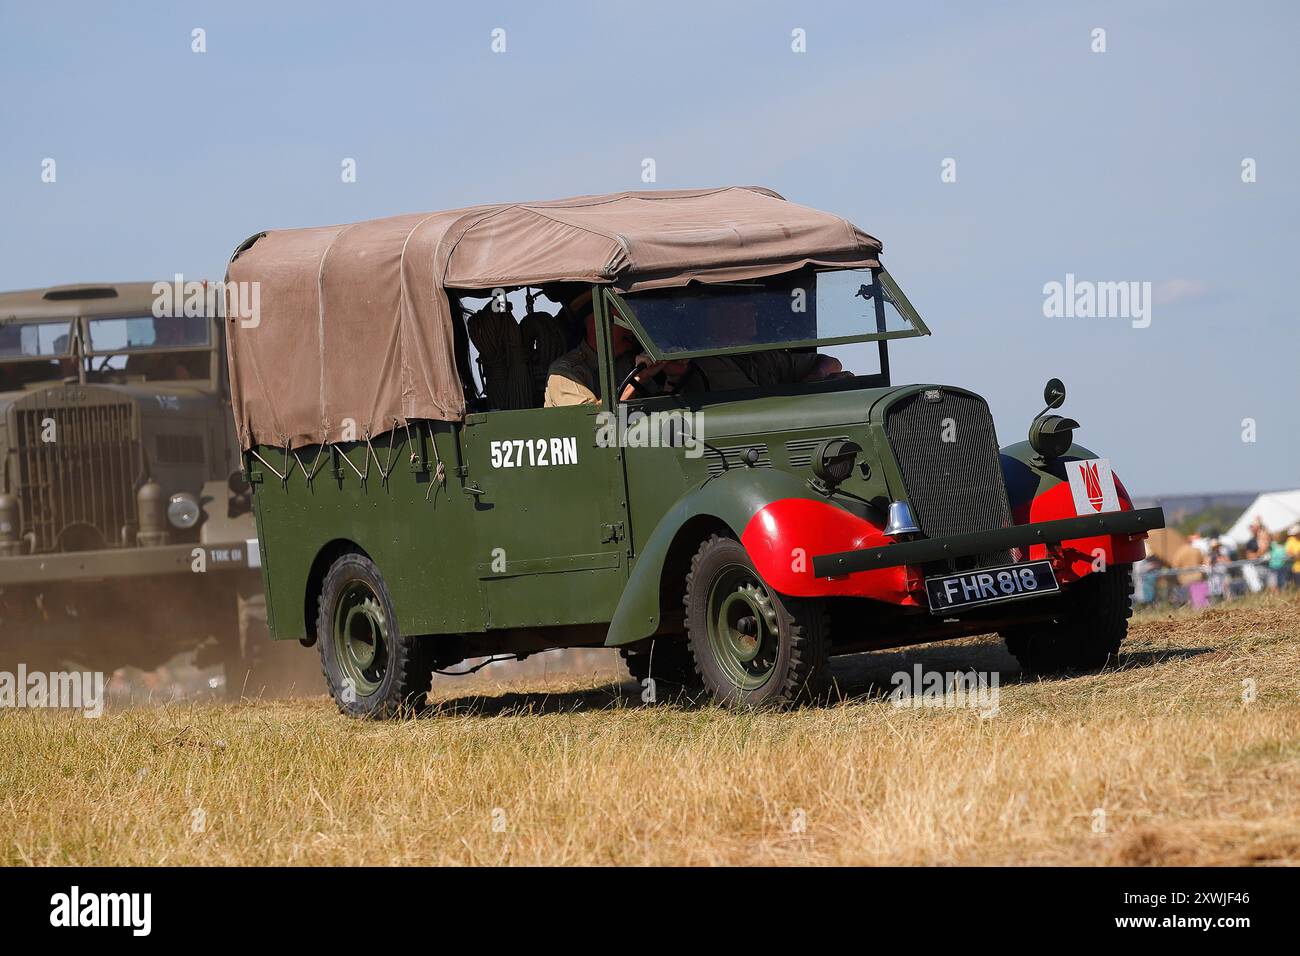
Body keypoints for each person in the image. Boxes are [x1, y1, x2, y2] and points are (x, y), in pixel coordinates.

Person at [543, 288, 689, 407]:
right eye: (627, 322)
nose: (633, 331)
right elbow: (592, 424)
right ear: (599, 324)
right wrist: (638, 379)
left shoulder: (626, 362)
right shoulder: (564, 372)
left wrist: (672, 377)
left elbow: (657, 407)